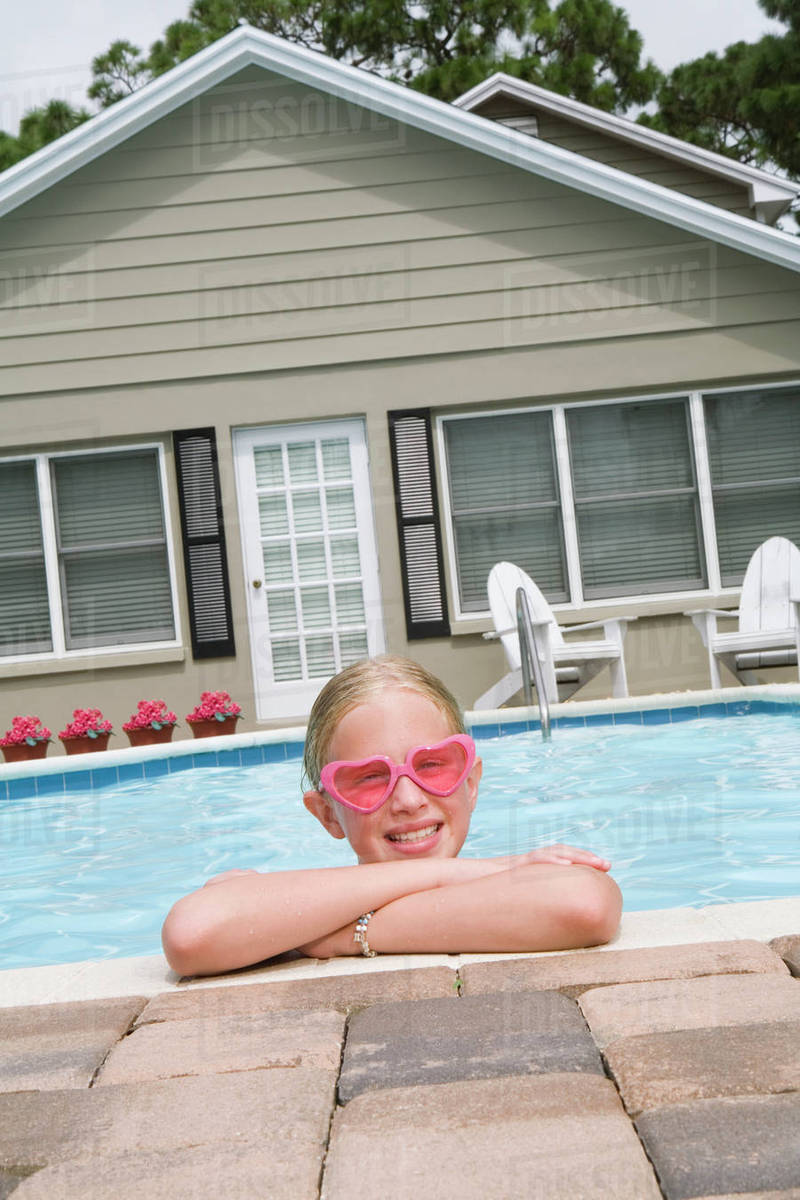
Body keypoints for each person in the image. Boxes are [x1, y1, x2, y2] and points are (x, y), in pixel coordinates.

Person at [162, 655, 621, 976]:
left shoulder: (301, 913)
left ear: (472, 782)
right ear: (328, 815)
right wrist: (467, 871)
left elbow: (586, 904)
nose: (407, 799)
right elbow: (191, 933)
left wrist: (334, 937)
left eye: (433, 765)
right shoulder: (498, 875)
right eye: (367, 777)